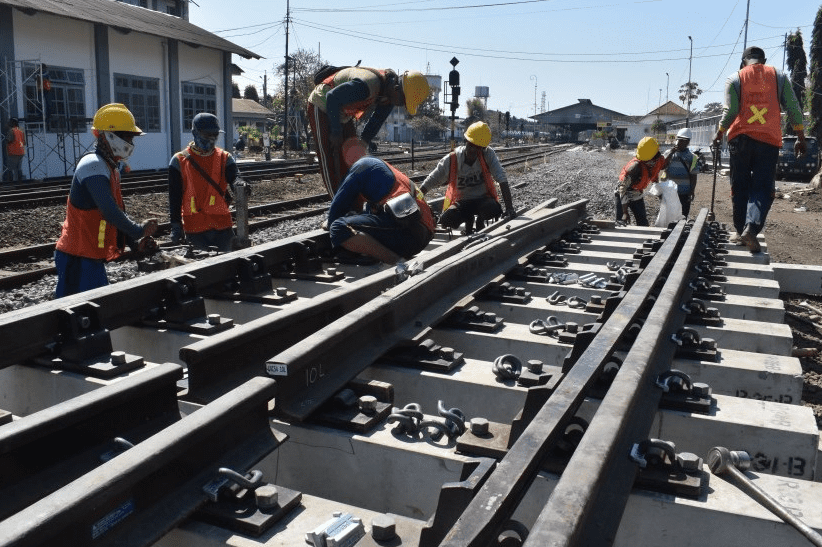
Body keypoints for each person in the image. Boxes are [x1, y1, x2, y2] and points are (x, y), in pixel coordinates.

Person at [54, 104, 158, 297]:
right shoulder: (92, 165)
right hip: (76, 256)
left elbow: (117, 212)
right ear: (109, 136)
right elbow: (109, 211)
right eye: (127, 137)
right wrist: (137, 230)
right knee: (77, 309)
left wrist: (135, 243)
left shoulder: (110, 167)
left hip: (89, 254)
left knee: (92, 307)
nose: (130, 142)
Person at [712, 45, 807, 253]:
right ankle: (751, 229)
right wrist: (800, 137)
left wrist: (719, 133)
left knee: (739, 186)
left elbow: (731, 111)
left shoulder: (735, 78)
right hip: (768, 141)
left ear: (743, 62)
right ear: (763, 61)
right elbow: (793, 108)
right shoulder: (779, 76)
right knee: (763, 188)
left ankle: (740, 232)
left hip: (740, 140)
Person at [307, 66, 430, 196]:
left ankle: (353, 197)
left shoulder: (389, 96)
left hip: (342, 111)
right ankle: (337, 201)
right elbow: (332, 97)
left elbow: (375, 122)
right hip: (323, 103)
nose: (401, 105)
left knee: (351, 156)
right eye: (403, 101)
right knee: (329, 157)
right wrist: (336, 132)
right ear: (396, 89)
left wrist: (362, 144)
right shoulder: (367, 86)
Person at [326, 156, 435, 265]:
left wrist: (335, 244)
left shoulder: (359, 168)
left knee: (338, 227)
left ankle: (397, 261)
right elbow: (370, 216)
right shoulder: (378, 167)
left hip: (410, 234)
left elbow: (336, 208)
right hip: (423, 234)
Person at [419, 121, 515, 233]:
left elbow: (502, 178)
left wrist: (509, 208)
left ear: (483, 148)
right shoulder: (453, 159)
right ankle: (468, 219)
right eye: (471, 145)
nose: (473, 150)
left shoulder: (488, 154)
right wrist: (418, 196)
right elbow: (432, 179)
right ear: (466, 141)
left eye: (477, 147)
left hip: (484, 200)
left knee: (492, 208)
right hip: (463, 202)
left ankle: (480, 222)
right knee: (446, 220)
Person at [168, 113, 238, 253]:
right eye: (207, 135)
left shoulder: (225, 158)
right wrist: (176, 226)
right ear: (195, 133)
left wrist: (239, 184)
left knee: (229, 264)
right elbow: (174, 198)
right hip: (195, 230)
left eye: (215, 135)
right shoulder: (178, 161)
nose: (211, 139)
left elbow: (235, 177)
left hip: (223, 228)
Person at [615, 136, 669, 226]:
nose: (652, 162)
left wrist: (659, 192)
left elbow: (657, 171)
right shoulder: (634, 167)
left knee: (642, 222)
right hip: (623, 193)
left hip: (636, 194)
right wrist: (625, 212)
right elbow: (622, 189)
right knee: (621, 222)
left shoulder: (657, 160)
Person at [663, 128, 699, 218]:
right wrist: (671, 153)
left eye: (684, 141)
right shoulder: (668, 153)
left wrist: (692, 191)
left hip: (684, 193)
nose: (681, 143)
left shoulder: (693, 157)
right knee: (669, 217)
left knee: (683, 216)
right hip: (670, 192)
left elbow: (693, 176)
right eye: (679, 140)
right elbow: (662, 166)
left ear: (688, 142)